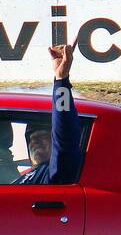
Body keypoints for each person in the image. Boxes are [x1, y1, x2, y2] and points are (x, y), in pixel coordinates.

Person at [16, 44, 81, 185]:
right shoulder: (23, 176)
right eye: (31, 139)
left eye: (42, 137)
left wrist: (61, 81)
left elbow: (64, 135)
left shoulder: (56, 171)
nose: (35, 143)